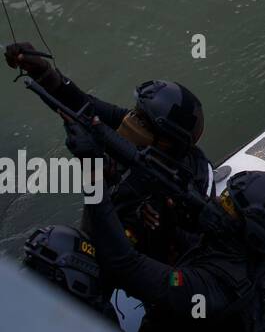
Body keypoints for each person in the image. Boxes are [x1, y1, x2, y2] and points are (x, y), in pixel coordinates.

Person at [5, 43, 212, 263]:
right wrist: (43, 71)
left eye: (141, 119)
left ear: (166, 142)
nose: (130, 118)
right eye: (136, 111)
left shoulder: (174, 192)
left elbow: (111, 244)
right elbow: (83, 105)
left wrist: (92, 167)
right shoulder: (141, 136)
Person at [84, 168, 265, 332]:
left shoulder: (208, 288)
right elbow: (196, 249)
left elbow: (127, 265)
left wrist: (92, 179)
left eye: (228, 205)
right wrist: (165, 221)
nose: (217, 203)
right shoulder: (256, 264)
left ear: (254, 233)